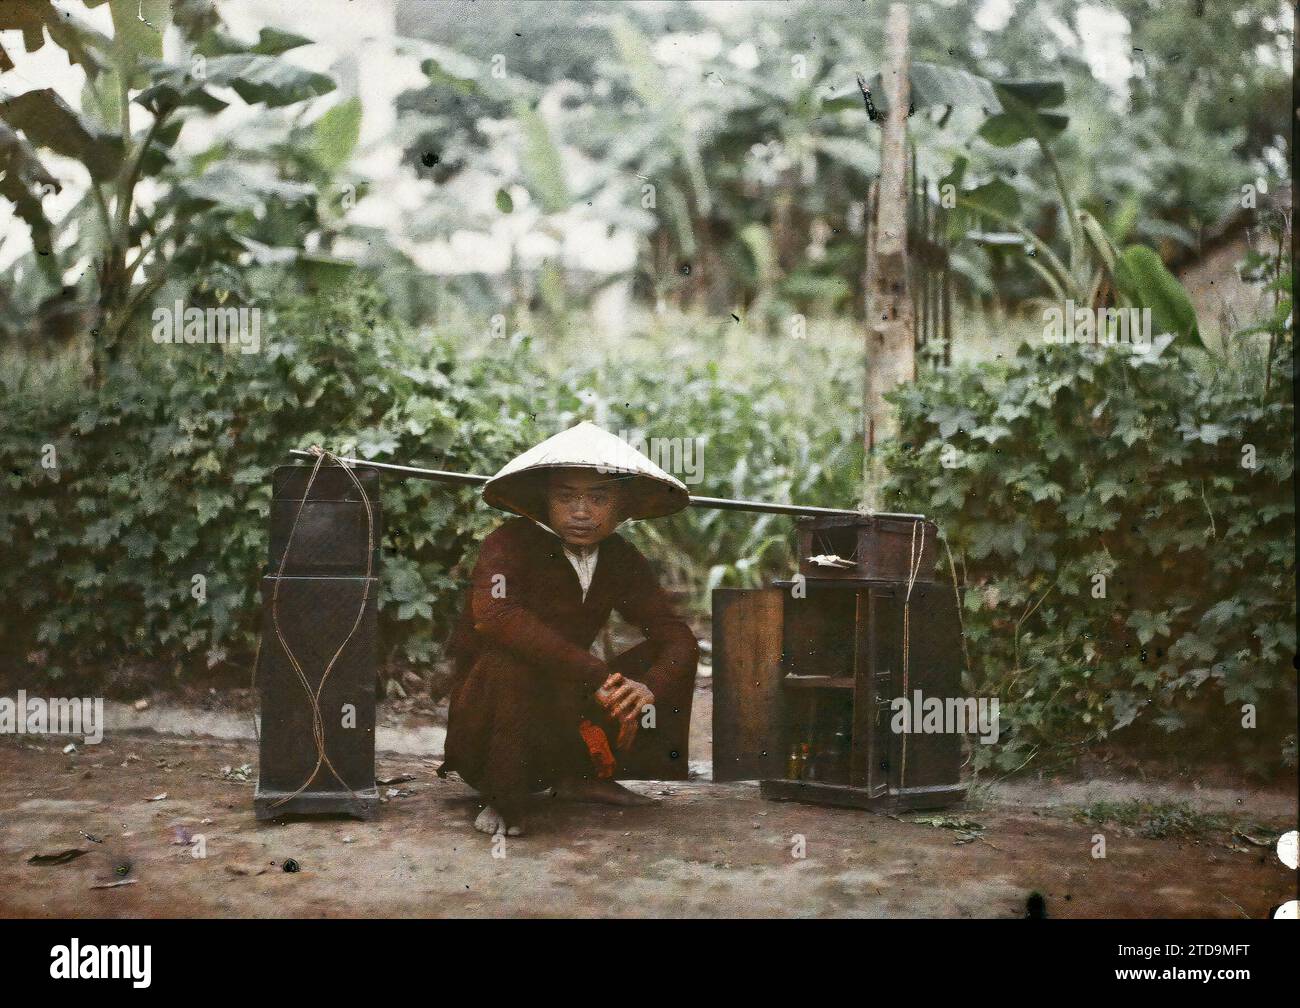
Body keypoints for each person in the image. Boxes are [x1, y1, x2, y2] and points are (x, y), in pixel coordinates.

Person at [439, 422, 699, 836]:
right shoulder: (509, 543)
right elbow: (498, 617)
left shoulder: (620, 558)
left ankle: (583, 776)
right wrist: (595, 675)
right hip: (492, 721)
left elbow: (674, 633)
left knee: (665, 657)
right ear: (545, 499)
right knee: (511, 656)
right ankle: (504, 795)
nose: (582, 511)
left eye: (598, 498)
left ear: (621, 507)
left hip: (564, 706)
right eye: (566, 497)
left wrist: (652, 684)